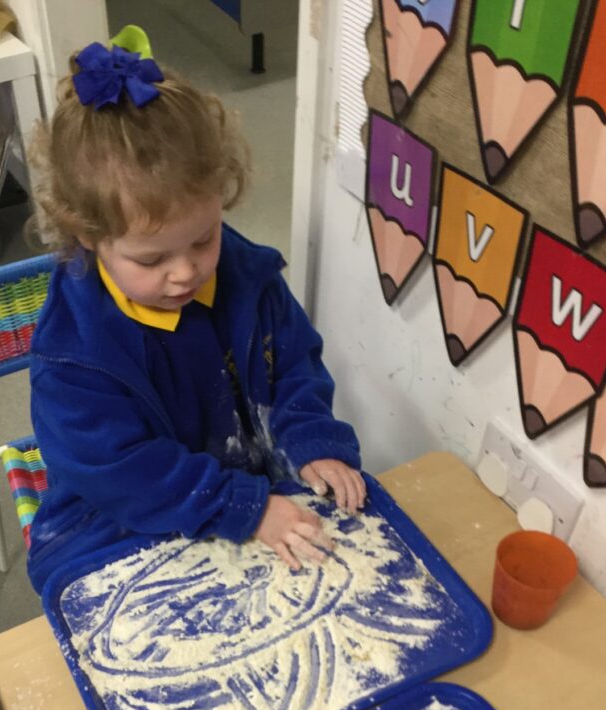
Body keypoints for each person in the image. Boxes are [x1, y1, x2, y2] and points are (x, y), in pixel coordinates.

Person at [26, 35, 366, 595]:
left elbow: (294, 365)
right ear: (89, 237)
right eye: (153, 258)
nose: (186, 273)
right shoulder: (72, 357)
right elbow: (124, 472)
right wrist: (247, 509)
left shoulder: (246, 279)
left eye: (204, 239)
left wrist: (313, 439)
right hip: (115, 526)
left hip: (241, 490)